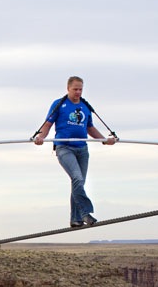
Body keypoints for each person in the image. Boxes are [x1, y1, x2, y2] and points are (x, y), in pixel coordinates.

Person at [33, 76, 116, 227]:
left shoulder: (85, 106)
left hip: (82, 149)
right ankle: (85, 213)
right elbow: (47, 124)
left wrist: (104, 140)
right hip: (64, 147)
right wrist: (40, 137)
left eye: (80, 89)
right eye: (75, 89)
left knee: (79, 183)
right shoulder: (59, 104)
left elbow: (89, 127)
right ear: (68, 88)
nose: (78, 92)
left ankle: (75, 219)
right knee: (77, 178)